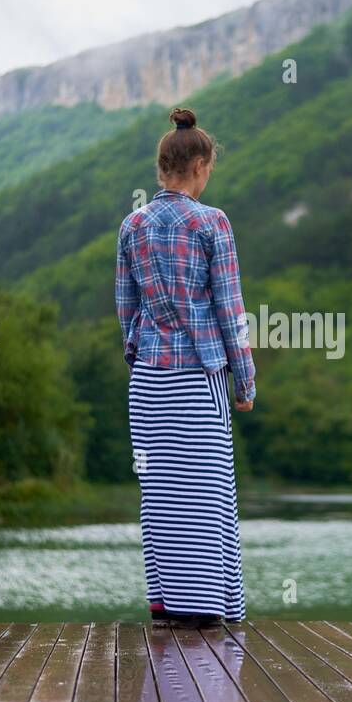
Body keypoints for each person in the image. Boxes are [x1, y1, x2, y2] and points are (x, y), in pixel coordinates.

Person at [115, 106, 256, 629]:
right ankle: (206, 607)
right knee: (206, 492)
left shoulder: (133, 225)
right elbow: (229, 309)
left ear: (162, 167)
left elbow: (126, 310)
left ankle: (167, 605)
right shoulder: (211, 222)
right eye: (211, 167)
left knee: (161, 495)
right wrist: (244, 379)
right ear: (199, 165)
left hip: (149, 379)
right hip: (200, 375)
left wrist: (142, 354)